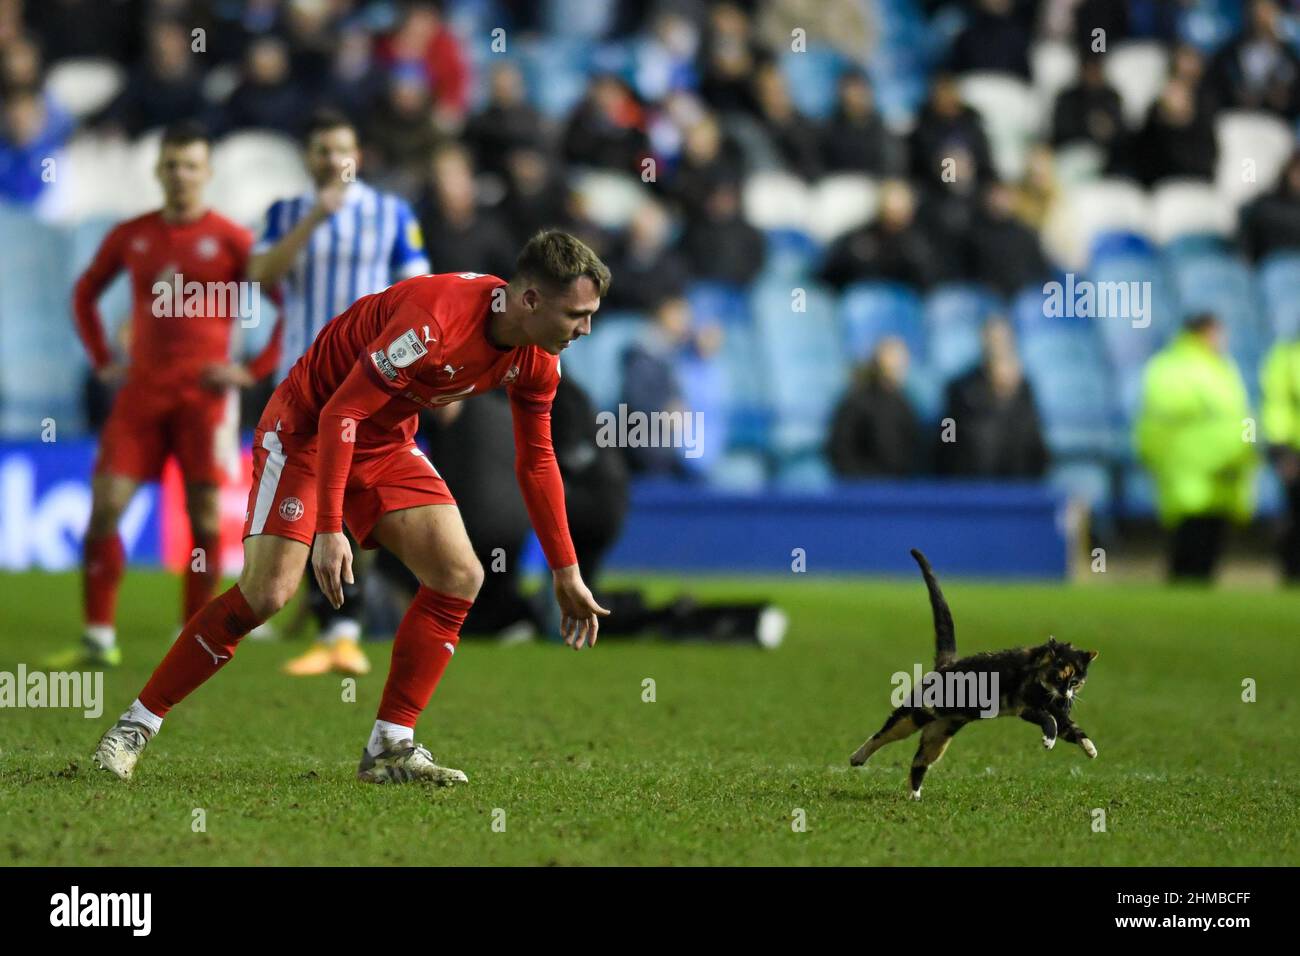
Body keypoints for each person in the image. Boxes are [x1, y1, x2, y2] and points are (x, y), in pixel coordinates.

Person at [90, 231, 612, 785]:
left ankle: (390, 745)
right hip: (307, 430)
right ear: (530, 300)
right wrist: (329, 527)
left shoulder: (537, 360)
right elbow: (339, 413)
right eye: (576, 314)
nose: (584, 329)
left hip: (383, 440)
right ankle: (134, 725)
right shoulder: (431, 324)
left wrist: (565, 570)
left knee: (459, 575)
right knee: (266, 594)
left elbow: (537, 463)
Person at [54, 122, 279, 668]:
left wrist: (253, 370)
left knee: (203, 519)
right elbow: (84, 293)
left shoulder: (230, 239)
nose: (180, 175)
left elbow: (283, 300)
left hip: (203, 399)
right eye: (172, 165)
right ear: (159, 171)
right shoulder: (133, 234)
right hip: (141, 397)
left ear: (207, 173)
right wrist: (105, 358)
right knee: (105, 508)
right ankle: (98, 638)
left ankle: (194, 637)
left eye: (191, 166)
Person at [247, 109, 430, 677]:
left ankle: (344, 631)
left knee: (356, 495)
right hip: (303, 378)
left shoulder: (391, 213)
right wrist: (309, 225)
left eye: (341, 150)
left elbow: (420, 288)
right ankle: (327, 626)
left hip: (373, 378)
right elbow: (259, 275)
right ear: (309, 157)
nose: (332, 160)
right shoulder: (284, 213)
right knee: (304, 496)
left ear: (358, 156)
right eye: (322, 150)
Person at [1135, 314, 1258, 582]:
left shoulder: (1222, 367)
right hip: (1191, 469)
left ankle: (1196, 593)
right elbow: (1164, 418)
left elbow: (1240, 417)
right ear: (1201, 333)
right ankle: (1180, 593)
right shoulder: (1172, 367)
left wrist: (1244, 453)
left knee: (1211, 542)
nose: (1222, 340)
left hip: (1224, 470)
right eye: (1217, 333)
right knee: (1190, 539)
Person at [935, 317, 1048, 478]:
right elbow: (947, 436)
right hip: (969, 485)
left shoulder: (1023, 389)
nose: (996, 344)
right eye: (992, 338)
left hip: (1016, 486)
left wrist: (1007, 398)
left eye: (1001, 338)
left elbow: (1033, 439)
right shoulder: (959, 389)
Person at [828, 336, 920, 477]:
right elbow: (841, 449)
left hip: (899, 489)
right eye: (894, 359)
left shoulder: (904, 403)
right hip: (864, 490)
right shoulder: (855, 402)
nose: (900, 365)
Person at [1259, 332, 1300, 581]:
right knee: (1296, 515)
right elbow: (1274, 407)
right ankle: (1292, 571)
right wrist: (1280, 450)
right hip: (1293, 451)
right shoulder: (1285, 359)